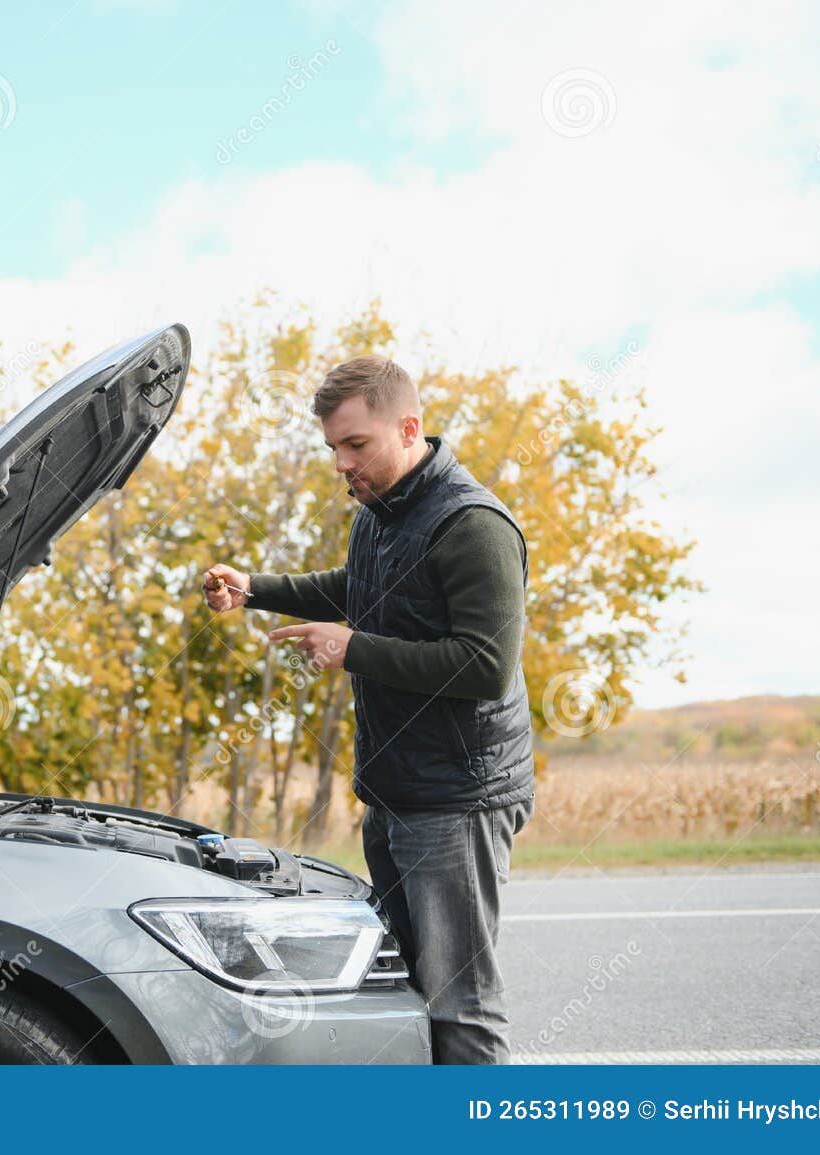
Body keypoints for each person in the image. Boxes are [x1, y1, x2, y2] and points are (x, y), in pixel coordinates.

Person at [203, 354, 535, 1064]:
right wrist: (254, 587)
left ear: (409, 427)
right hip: (396, 791)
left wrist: (352, 649)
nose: (341, 462)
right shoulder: (380, 516)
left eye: (355, 444)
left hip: (458, 797)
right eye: (332, 448)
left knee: (461, 1003)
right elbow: (355, 588)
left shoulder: (474, 525)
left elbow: (484, 665)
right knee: (409, 989)